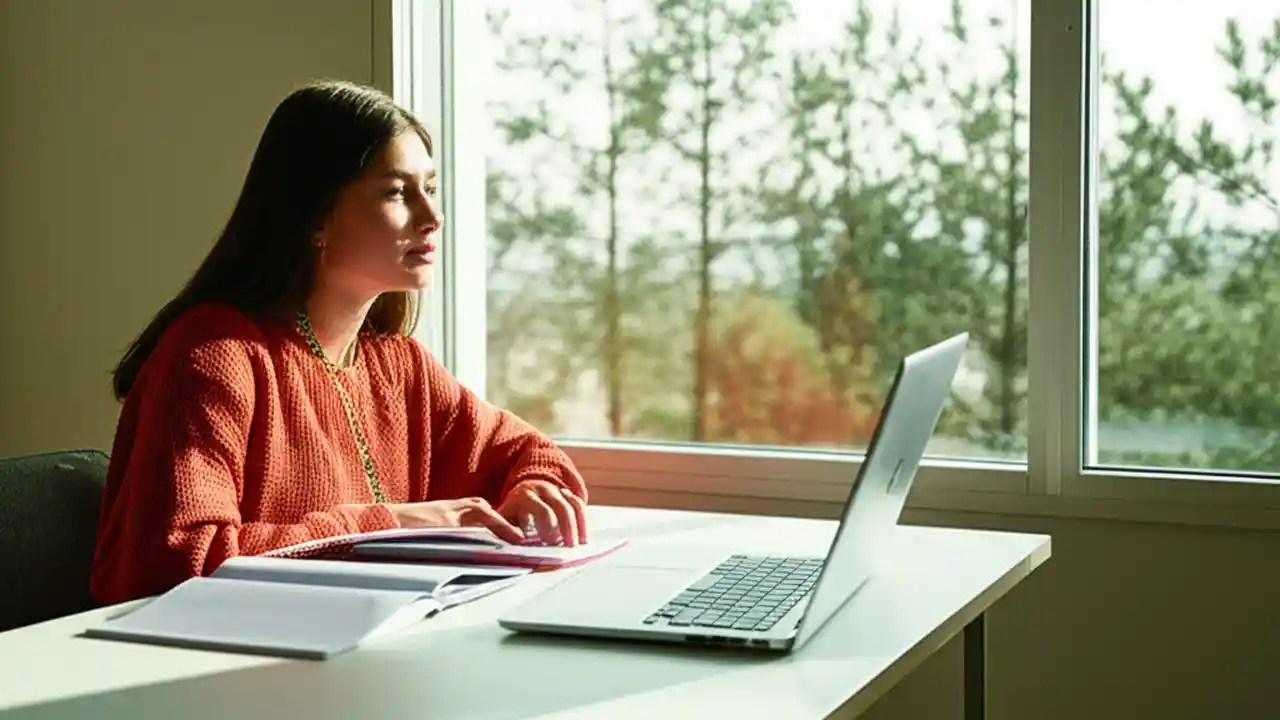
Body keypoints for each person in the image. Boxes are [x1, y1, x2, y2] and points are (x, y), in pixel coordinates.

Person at [89, 80, 588, 605]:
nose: (432, 216)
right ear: (316, 215)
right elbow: (180, 561)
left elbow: (530, 455)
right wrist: (387, 525)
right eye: (398, 192)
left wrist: (534, 489)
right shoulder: (214, 353)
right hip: (209, 672)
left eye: (431, 189)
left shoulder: (398, 366)